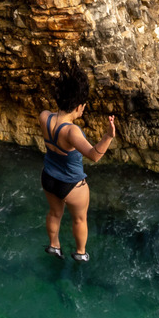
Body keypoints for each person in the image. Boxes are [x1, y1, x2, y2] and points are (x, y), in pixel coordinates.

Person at [38, 66, 116, 262]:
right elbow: (94, 155)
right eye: (83, 105)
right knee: (79, 219)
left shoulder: (44, 116)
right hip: (71, 184)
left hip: (48, 177)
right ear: (78, 107)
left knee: (55, 213)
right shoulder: (72, 132)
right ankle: (81, 253)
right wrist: (108, 136)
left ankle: (54, 246)